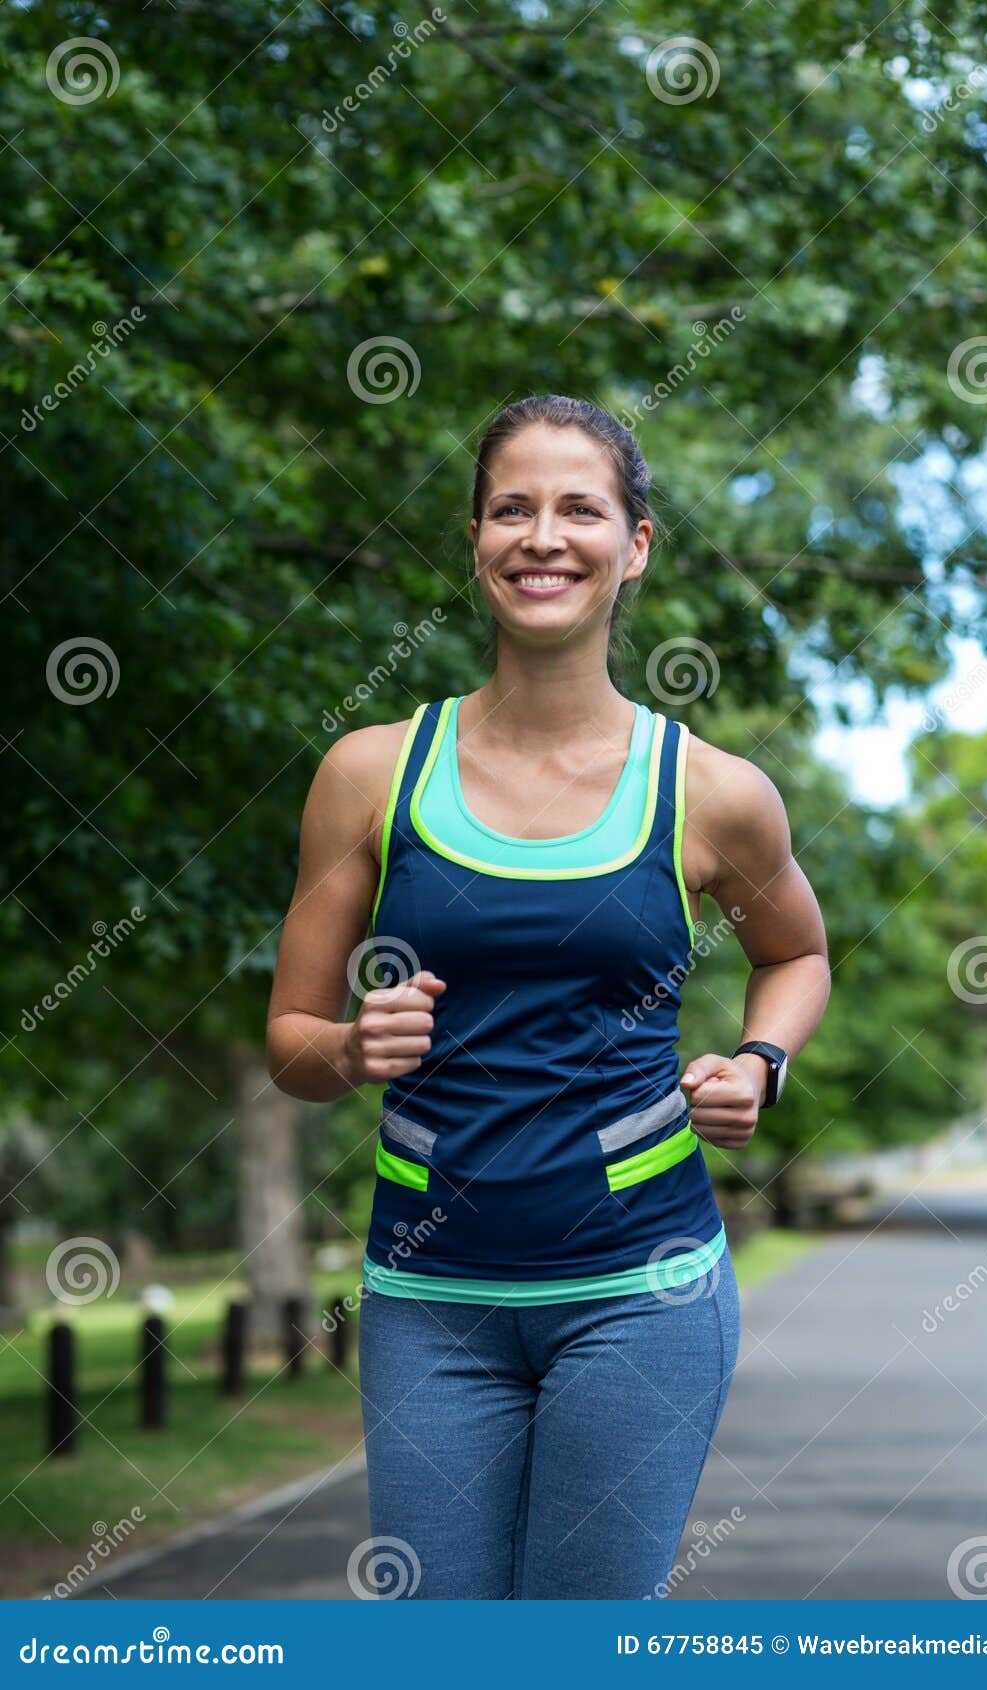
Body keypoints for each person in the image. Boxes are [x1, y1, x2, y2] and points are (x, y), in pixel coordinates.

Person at [265, 394, 830, 1600]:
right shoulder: (369, 773)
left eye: (579, 509)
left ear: (634, 545)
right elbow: (289, 1043)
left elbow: (797, 953)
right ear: (474, 539)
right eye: (509, 509)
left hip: (640, 1291)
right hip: (428, 1299)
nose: (541, 536)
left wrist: (758, 1062)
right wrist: (353, 1049)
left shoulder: (710, 791)